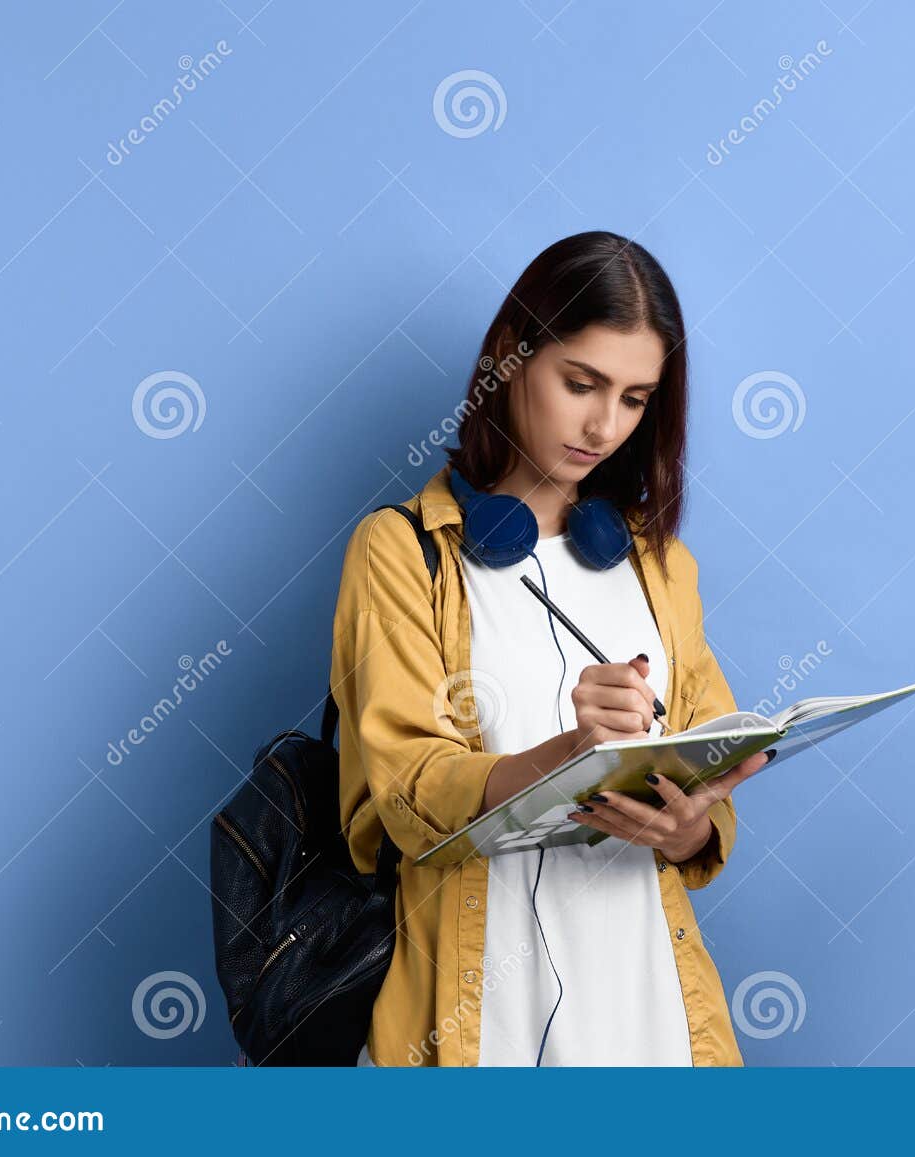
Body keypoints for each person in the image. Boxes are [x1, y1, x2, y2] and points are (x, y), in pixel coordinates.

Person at [331, 230, 773, 1066]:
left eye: (637, 399)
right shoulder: (400, 552)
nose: (604, 425)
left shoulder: (660, 565)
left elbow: (706, 797)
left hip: (651, 1010)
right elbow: (407, 798)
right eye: (581, 383)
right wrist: (573, 752)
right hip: (477, 1013)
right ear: (512, 359)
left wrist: (687, 826)